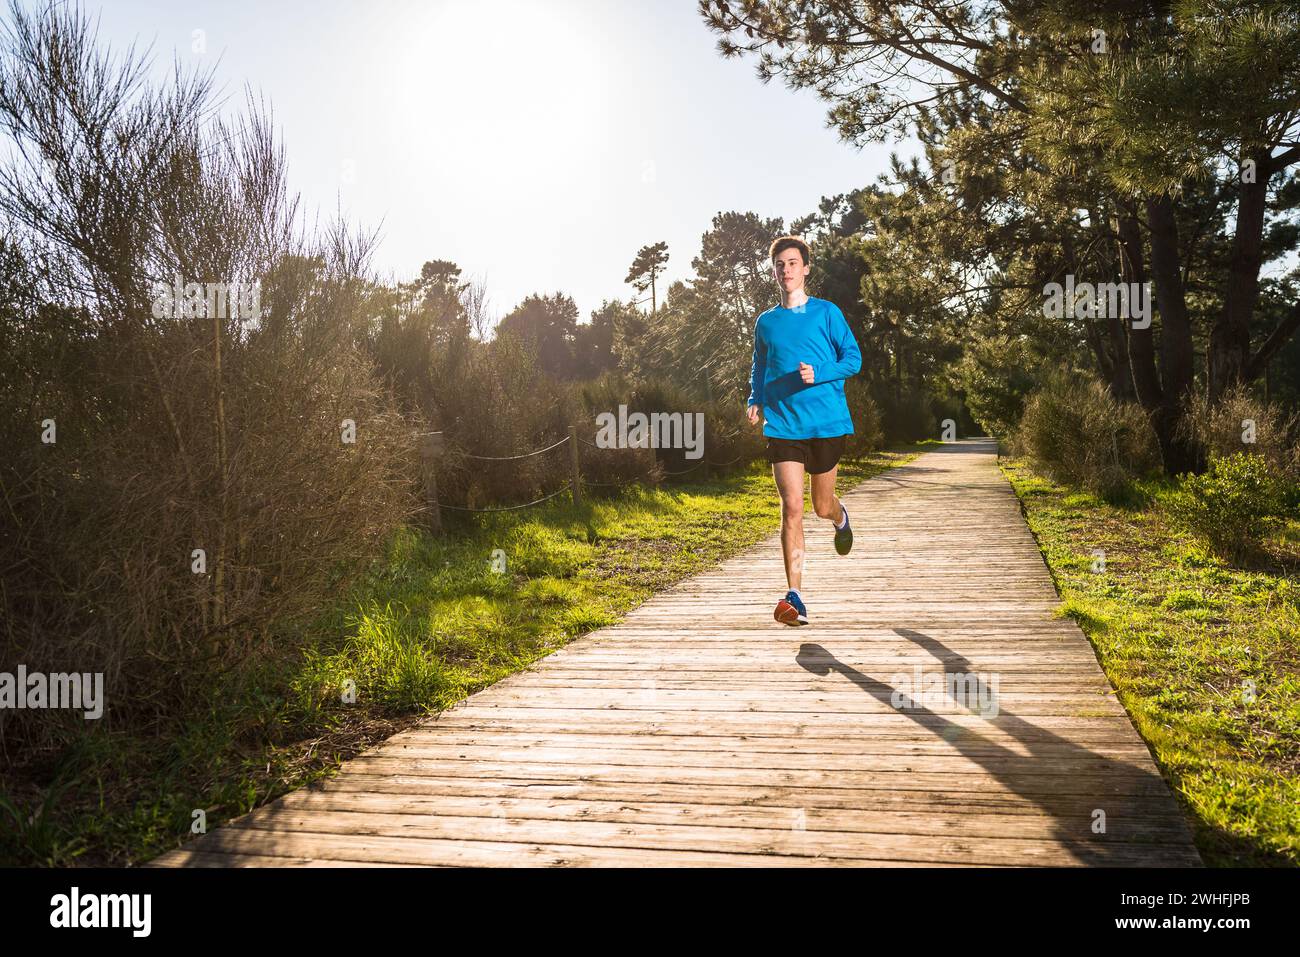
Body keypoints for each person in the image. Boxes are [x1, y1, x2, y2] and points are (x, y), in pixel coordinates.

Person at [746, 235, 861, 626]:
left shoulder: (827, 313)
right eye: (779, 264)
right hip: (783, 424)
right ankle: (795, 595)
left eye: (793, 263)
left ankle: (840, 518)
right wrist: (754, 398)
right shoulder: (766, 321)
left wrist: (821, 373)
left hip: (826, 422)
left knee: (819, 505)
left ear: (806, 268)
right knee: (792, 507)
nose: (786, 270)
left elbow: (853, 358)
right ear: (773, 270)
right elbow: (759, 365)